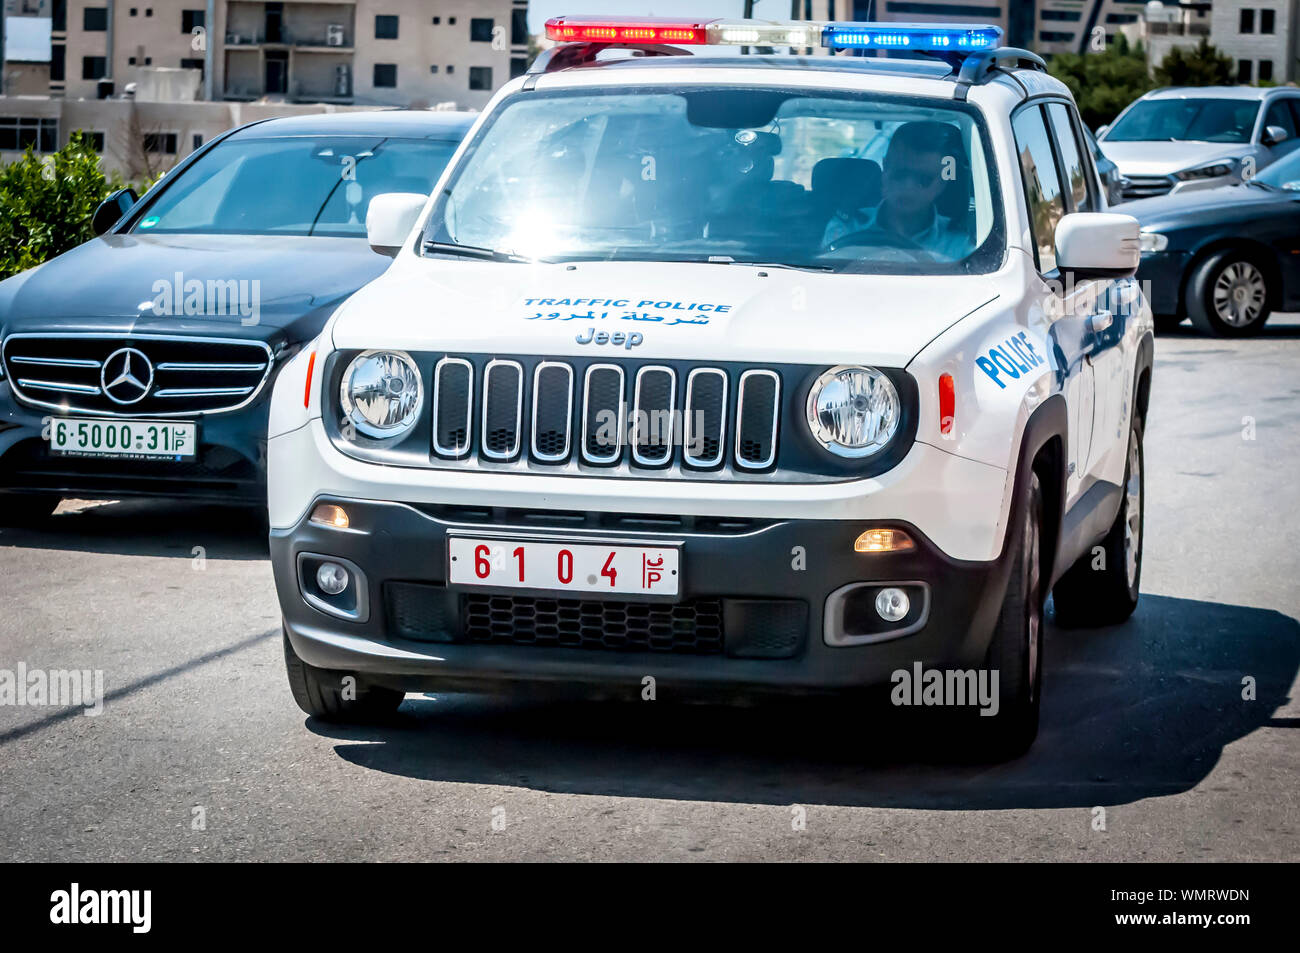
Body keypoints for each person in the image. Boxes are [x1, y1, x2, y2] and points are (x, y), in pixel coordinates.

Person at [822, 120, 972, 261]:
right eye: (900, 174)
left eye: (923, 179)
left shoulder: (960, 244)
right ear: (885, 169)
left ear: (941, 184)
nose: (908, 186)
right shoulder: (846, 228)